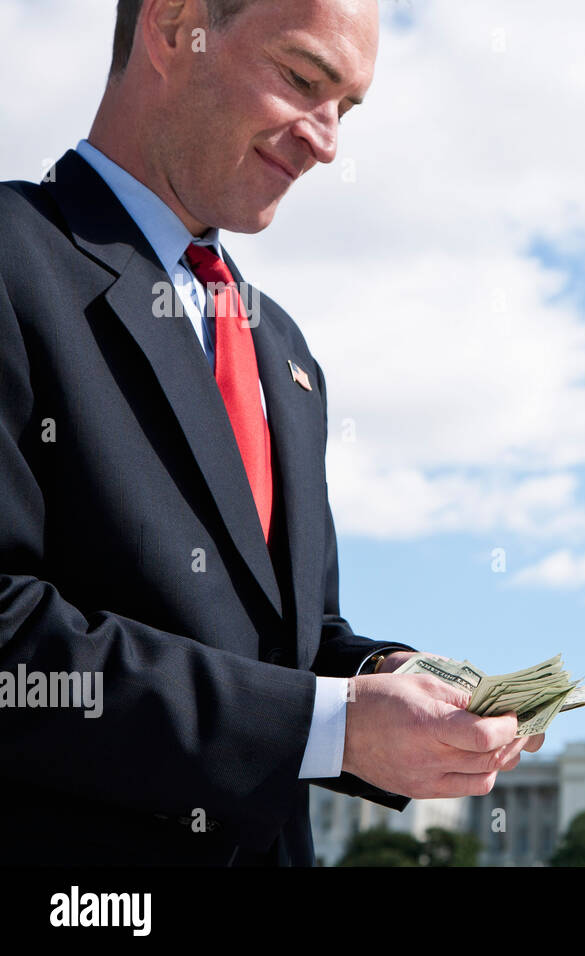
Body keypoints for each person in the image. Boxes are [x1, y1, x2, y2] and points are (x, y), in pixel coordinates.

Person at [0, 0, 542, 865]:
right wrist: (330, 728)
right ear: (176, 27)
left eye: (348, 108)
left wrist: (388, 683)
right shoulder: (13, 260)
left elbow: (292, 642)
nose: (327, 140)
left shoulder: (281, 348)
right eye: (302, 79)